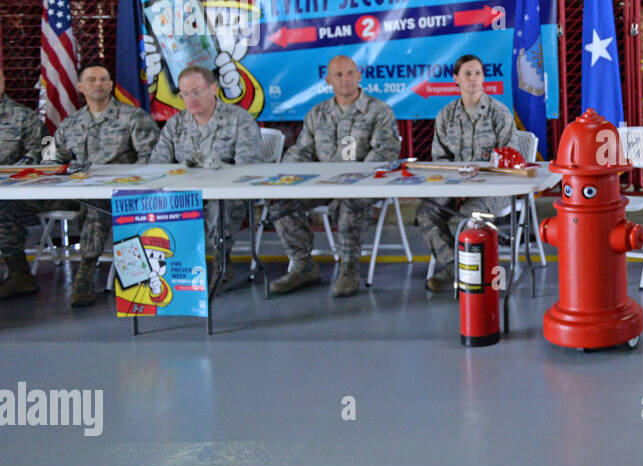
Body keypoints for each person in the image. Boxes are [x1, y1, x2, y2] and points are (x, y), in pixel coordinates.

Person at [267, 55, 399, 298]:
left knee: (348, 203)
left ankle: (348, 269)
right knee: (279, 204)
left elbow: (385, 152)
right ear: (328, 80)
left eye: (350, 73)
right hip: (322, 185)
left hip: (363, 186)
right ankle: (303, 265)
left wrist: (355, 181)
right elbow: (302, 151)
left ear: (359, 76)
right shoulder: (317, 114)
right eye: (338, 75)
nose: (345, 79)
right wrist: (286, 175)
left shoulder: (379, 111)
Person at [48, 63, 160, 307]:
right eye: (91, 80)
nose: (97, 84)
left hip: (121, 193)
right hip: (77, 192)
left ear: (111, 85)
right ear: (80, 87)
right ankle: (17, 271)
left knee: (97, 208)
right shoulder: (71, 123)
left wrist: (132, 180)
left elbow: (151, 157)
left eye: (103, 79)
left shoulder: (133, 117)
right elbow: (54, 159)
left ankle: (85, 276)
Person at [416, 54, 514, 292]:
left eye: (478, 73)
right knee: (425, 213)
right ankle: (456, 267)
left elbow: (506, 163)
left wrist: (471, 190)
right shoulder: (446, 116)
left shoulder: (499, 114)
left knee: (468, 217)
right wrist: (457, 189)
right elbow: (441, 161)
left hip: (493, 190)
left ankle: (463, 270)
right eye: (467, 74)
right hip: (456, 187)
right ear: (456, 79)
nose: (473, 79)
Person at [149, 64, 263, 257]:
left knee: (219, 207)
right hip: (185, 193)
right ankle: (174, 266)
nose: (190, 99)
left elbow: (247, 168)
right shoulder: (175, 124)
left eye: (196, 92)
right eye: (184, 94)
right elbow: (158, 165)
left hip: (228, 193)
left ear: (213, 88)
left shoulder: (239, 119)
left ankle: (219, 265)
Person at [0, 69, 47, 299]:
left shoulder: (22, 117)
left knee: (2, 207)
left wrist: (14, 173)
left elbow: (40, 153)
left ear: (3, 80)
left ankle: (20, 274)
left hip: (20, 192)